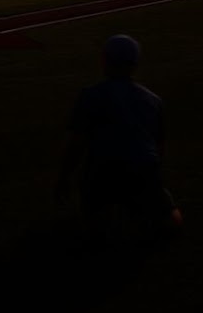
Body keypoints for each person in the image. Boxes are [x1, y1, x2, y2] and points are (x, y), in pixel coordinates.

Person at [55, 34, 181, 241]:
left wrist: (63, 178)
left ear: (105, 60)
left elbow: (76, 142)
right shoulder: (153, 100)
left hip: (104, 169)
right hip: (143, 169)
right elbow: (159, 148)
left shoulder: (90, 95)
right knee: (169, 219)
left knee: (90, 226)